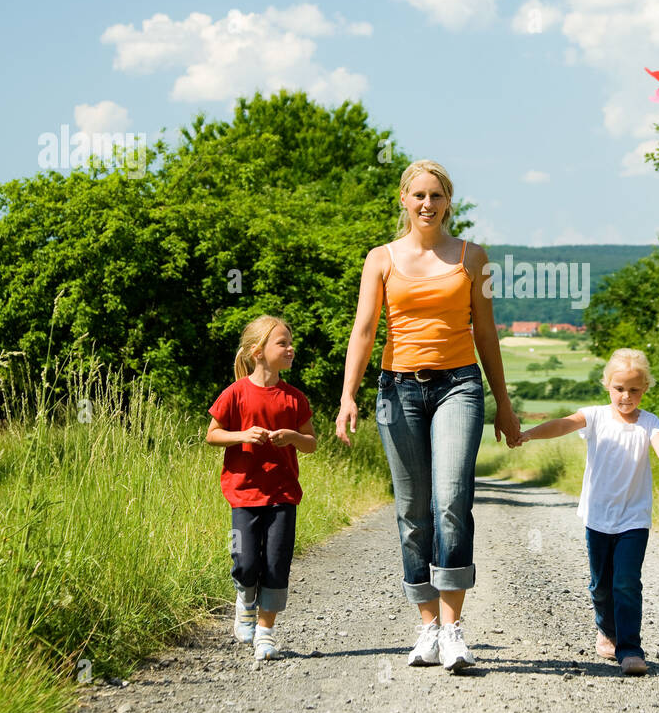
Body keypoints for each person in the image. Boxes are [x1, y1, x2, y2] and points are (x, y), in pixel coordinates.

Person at [336, 160, 521, 673]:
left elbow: (486, 334)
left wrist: (502, 402)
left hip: (458, 386)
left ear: (448, 202)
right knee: (412, 509)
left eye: (436, 196)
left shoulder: (472, 258)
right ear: (403, 199)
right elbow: (365, 330)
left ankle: (454, 627)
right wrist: (348, 395)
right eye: (418, 195)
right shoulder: (380, 259)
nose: (427, 204)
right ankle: (427, 627)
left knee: (451, 499)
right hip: (397, 389)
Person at [517, 349, 659, 676]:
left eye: (634, 390)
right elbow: (562, 425)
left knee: (626, 581)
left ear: (645, 389)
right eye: (620, 388)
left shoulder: (650, 422)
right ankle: (606, 630)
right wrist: (527, 434)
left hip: (633, 520)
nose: (626, 396)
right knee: (600, 585)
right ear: (608, 386)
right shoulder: (595, 416)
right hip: (598, 518)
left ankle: (630, 649)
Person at [206, 315, 317, 661]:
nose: (290, 348)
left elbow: (312, 443)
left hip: (283, 495)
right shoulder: (235, 394)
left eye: (290, 342)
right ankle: (244, 598)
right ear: (258, 352)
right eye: (282, 343)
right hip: (244, 494)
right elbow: (212, 434)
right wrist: (241, 435)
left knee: (276, 564)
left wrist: (293, 437)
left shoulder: (294, 398)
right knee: (244, 561)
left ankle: (266, 633)